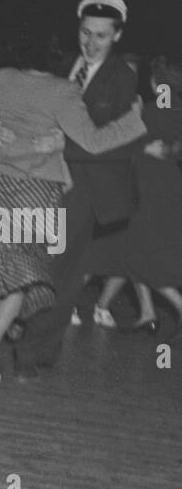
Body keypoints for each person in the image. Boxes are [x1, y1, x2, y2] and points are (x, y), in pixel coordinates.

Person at [0, 25, 145, 385]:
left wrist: (30, 134)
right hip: (36, 190)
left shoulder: (4, 79)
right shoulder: (64, 91)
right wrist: (133, 122)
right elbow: (94, 141)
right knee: (20, 279)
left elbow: (6, 120)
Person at [14, 0, 143, 377]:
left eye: (101, 36)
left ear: (117, 35)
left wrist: (63, 144)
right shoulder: (61, 66)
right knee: (46, 264)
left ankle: (29, 349)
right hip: (44, 178)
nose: (90, 43)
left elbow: (114, 137)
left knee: (57, 266)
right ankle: (42, 346)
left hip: (88, 187)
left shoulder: (123, 78)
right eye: (85, 32)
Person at [84, 53, 182, 341]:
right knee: (136, 251)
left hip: (145, 191)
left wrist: (142, 149)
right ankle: (148, 313)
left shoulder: (146, 112)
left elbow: (117, 146)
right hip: (170, 189)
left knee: (136, 255)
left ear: (154, 83)